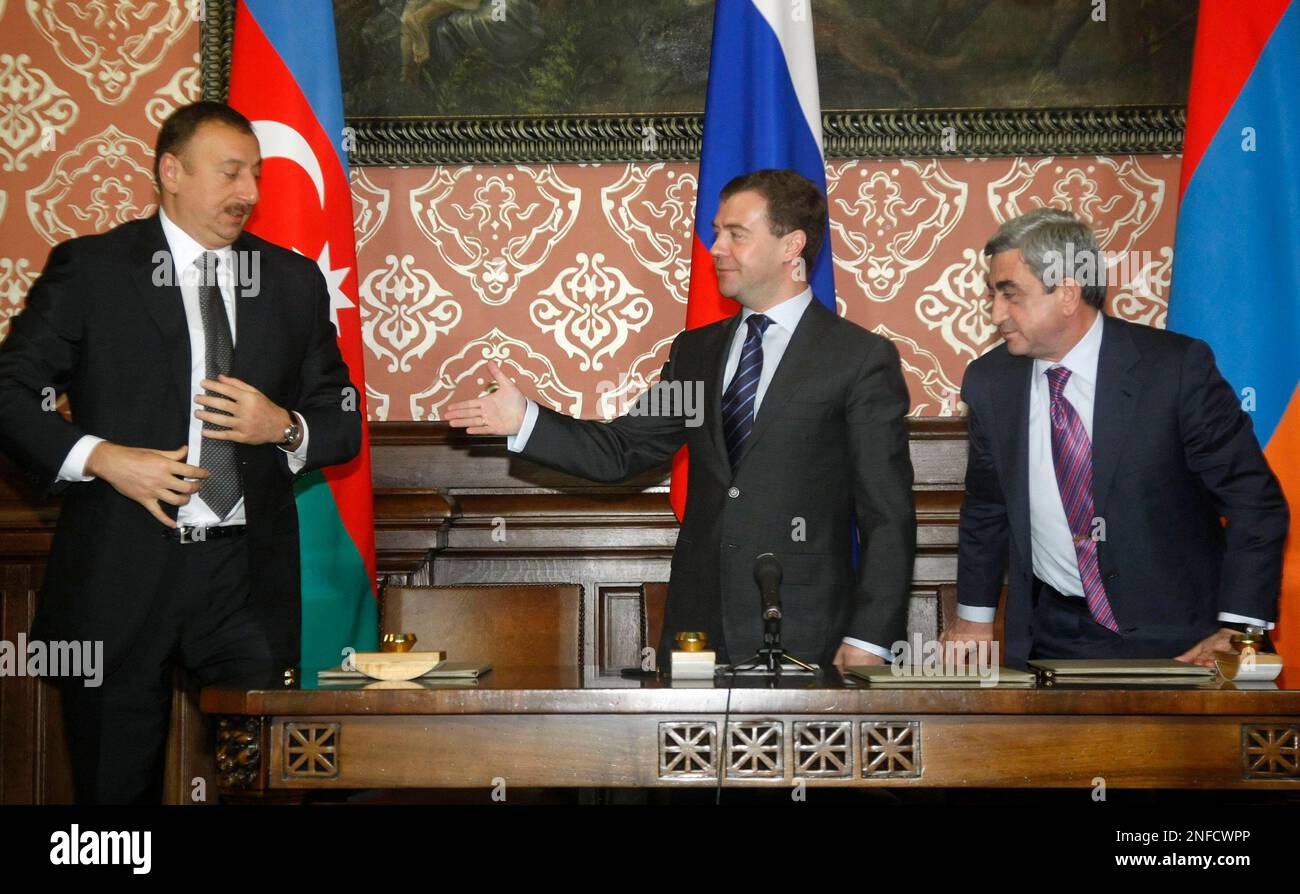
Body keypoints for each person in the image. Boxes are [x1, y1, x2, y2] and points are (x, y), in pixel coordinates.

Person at [0, 101, 362, 803]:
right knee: (114, 793)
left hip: (245, 578)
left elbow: (341, 420)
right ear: (171, 172)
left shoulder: (290, 282)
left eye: (256, 175)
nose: (250, 194)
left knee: (269, 781)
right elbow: (9, 391)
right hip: (123, 567)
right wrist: (103, 457)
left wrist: (282, 426)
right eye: (231, 173)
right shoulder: (94, 270)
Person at [447, 169, 915, 671]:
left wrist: (870, 637)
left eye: (736, 234)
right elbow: (624, 450)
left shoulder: (858, 358)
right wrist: (526, 420)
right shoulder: (697, 353)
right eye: (717, 232)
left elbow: (887, 514)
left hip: (809, 630)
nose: (715, 247)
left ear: (791, 246)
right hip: (697, 630)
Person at [945, 207, 1288, 668]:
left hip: (1182, 641)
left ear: (1067, 292)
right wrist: (974, 617)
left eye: (1010, 295)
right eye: (992, 295)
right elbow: (987, 507)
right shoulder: (990, 382)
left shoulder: (1174, 369)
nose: (995, 313)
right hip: (1054, 635)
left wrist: (1241, 630)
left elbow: (1255, 500)